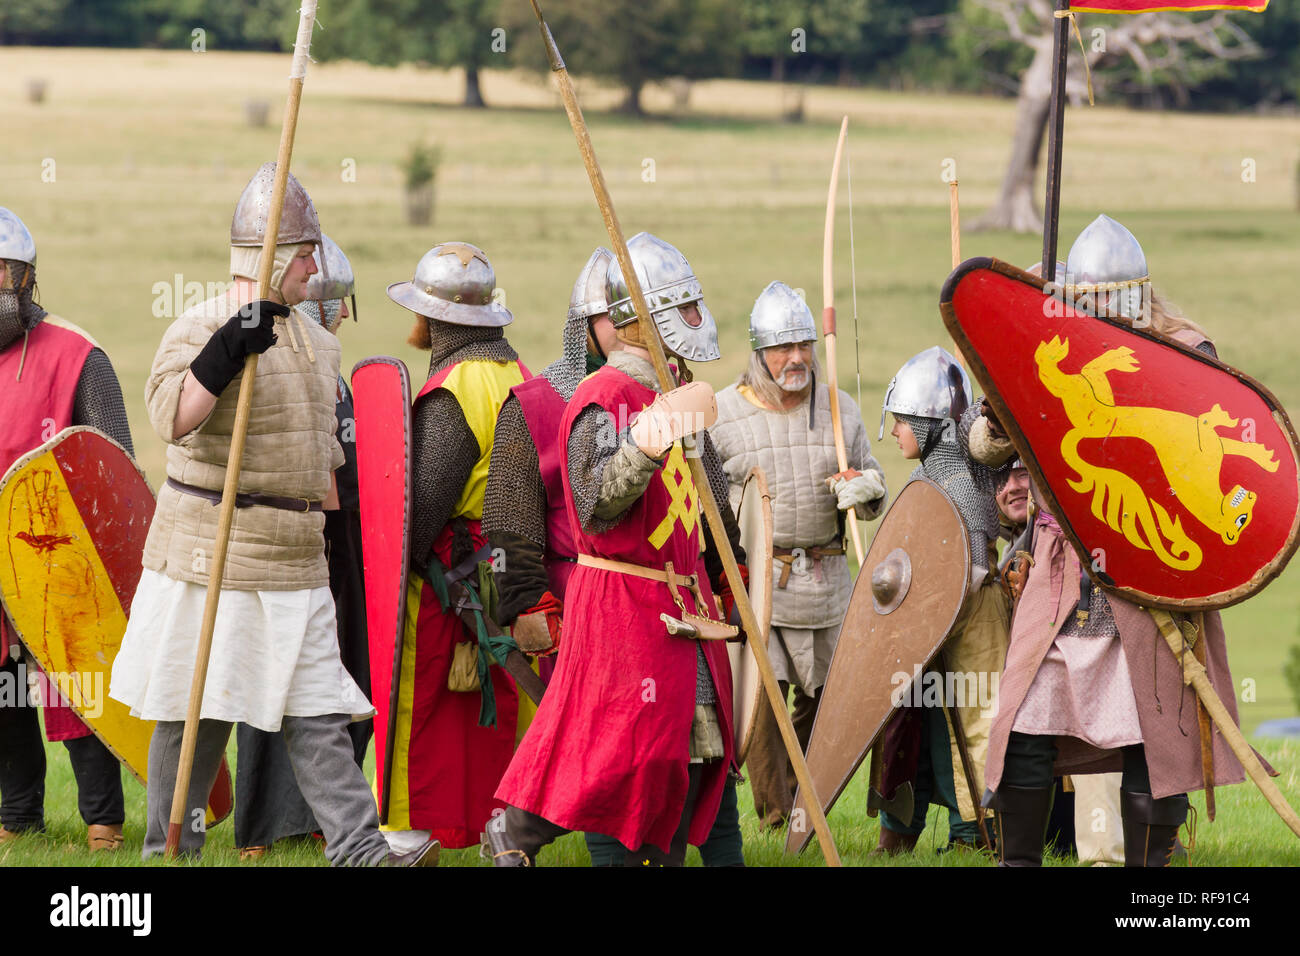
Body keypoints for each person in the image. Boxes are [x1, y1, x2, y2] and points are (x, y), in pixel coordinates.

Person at [109, 164, 432, 866]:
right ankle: (170, 850)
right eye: (308, 252)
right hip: (210, 552)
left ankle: (357, 849)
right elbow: (172, 418)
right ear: (275, 257)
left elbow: (325, 474)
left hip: (293, 555)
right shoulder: (199, 324)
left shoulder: (319, 346)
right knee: (194, 712)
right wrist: (225, 352)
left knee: (318, 709)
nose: (317, 267)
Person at [977, 215, 1248, 867]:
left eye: (1107, 302)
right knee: (1023, 726)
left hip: (1151, 567)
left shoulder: (1185, 350)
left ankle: (1148, 876)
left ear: (1136, 294)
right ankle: (1019, 863)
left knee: (1153, 730)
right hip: (1063, 570)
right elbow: (988, 451)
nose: (1097, 313)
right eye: (1087, 303)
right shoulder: (1057, 348)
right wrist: (1001, 398)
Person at [488, 232, 744, 866]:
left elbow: (700, 507)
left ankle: (528, 830)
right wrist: (645, 446)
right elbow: (597, 504)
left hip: (681, 605)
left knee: (687, 755)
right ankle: (518, 830)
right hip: (621, 607)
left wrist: (729, 573)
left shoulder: (671, 390)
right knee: (618, 758)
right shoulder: (599, 397)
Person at [709, 280, 886, 828]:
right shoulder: (721, 414)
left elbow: (871, 477)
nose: (797, 358)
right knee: (762, 705)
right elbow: (704, 504)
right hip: (763, 581)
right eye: (783, 347)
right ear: (759, 352)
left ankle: (810, 805)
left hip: (829, 576)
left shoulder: (840, 410)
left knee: (830, 701)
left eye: (804, 344)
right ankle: (772, 816)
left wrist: (868, 489)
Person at [378, 240, 527, 855]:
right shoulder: (514, 373)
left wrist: (400, 561)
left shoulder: (453, 390)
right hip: (502, 568)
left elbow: (423, 503)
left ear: (436, 320)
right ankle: (495, 827)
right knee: (489, 714)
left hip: (448, 575)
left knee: (428, 704)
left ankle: (410, 832)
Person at [233, 235, 372, 859]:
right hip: (287, 551)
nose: (340, 313)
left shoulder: (335, 376)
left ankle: (315, 822)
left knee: (322, 694)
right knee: (267, 689)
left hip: (337, 560)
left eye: (344, 303)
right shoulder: (274, 366)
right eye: (330, 302)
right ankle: (261, 828)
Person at [0, 207, 129, 852]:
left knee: (77, 692)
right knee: (4, 692)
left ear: (24, 279)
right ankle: (17, 815)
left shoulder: (78, 355)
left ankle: (104, 822)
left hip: (62, 560)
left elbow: (114, 469)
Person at [870, 346, 1011, 854]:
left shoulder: (962, 469)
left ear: (928, 421)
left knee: (979, 717)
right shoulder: (927, 477)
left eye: (902, 421)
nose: (895, 431)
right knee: (919, 717)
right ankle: (913, 829)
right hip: (934, 611)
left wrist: (967, 575)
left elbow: (973, 527)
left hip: (976, 607)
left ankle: (979, 833)